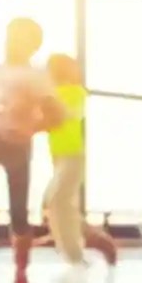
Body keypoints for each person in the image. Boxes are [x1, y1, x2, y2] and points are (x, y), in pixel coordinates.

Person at [0, 17, 62, 283]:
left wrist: (30, 127)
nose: (12, 42)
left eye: (21, 38)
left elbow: (57, 115)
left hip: (18, 144)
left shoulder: (37, 77)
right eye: (10, 35)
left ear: (32, 46)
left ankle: (21, 274)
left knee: (19, 212)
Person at [41, 53, 118, 267]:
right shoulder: (52, 93)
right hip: (59, 157)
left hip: (73, 156)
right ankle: (89, 241)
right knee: (58, 204)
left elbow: (60, 116)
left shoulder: (75, 93)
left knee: (57, 201)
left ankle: (79, 252)